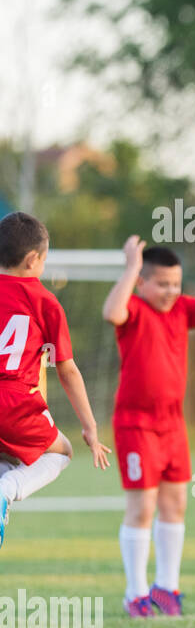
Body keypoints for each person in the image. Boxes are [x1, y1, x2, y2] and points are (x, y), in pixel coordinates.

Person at [102, 238, 195, 616]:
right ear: (143, 283)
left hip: (173, 425)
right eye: (161, 284)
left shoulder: (182, 309)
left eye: (175, 284)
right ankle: (135, 593)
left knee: (175, 504)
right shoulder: (131, 306)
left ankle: (167, 588)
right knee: (142, 507)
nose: (170, 291)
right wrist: (131, 266)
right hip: (136, 425)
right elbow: (111, 311)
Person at [0, 211, 112, 545]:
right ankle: (5, 493)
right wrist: (90, 427)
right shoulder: (44, 301)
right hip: (14, 400)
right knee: (59, 452)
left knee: (9, 457)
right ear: (33, 260)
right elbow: (67, 369)